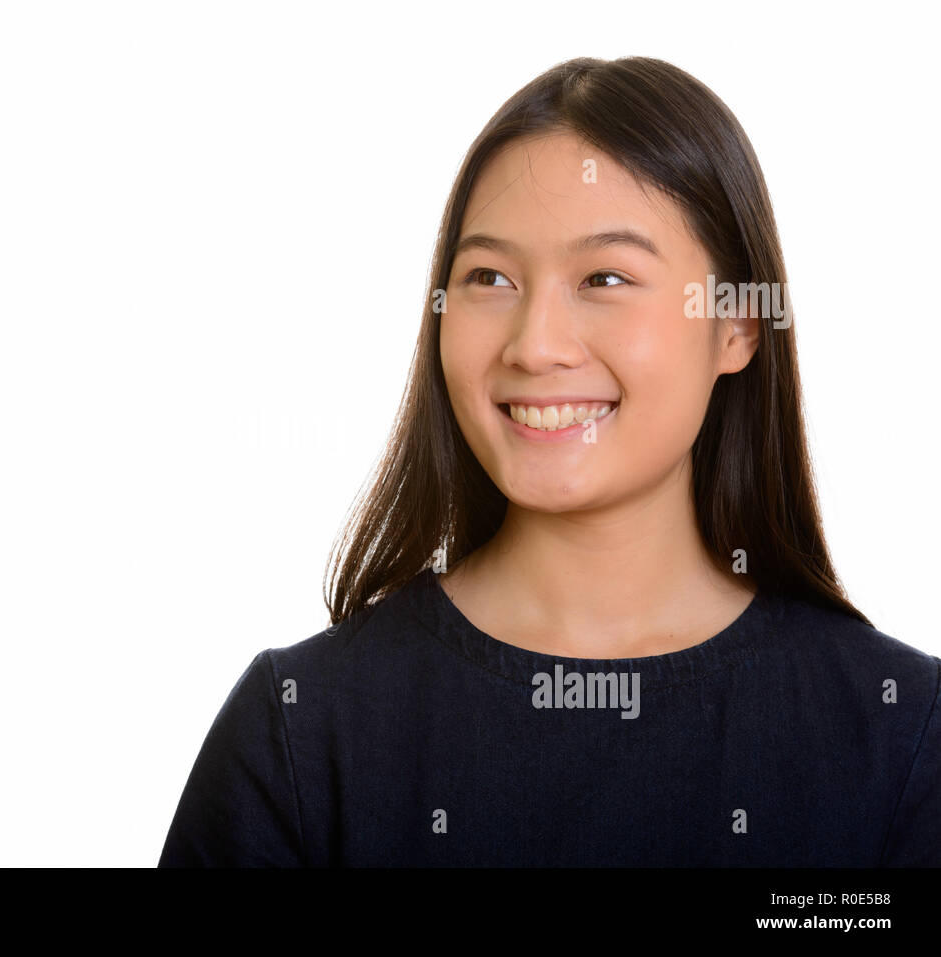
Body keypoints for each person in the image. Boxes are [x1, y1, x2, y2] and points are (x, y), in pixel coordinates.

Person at [157, 56, 941, 866]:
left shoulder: (901, 735)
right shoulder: (299, 734)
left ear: (738, 323)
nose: (534, 346)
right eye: (489, 276)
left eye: (604, 277)